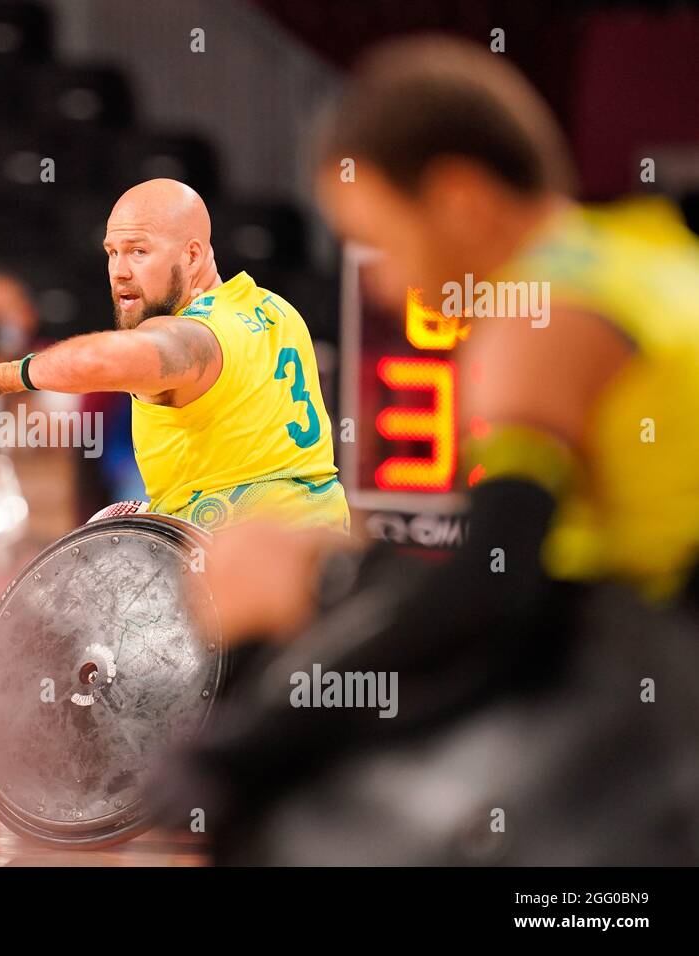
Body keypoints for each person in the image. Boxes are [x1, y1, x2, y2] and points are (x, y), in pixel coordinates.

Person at [158, 35, 699, 864]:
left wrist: (239, 748)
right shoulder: (655, 252)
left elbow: (492, 589)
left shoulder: (542, 315)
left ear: (460, 203)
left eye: (378, 239)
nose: (379, 283)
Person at [0, 178, 349, 534]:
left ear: (191, 255)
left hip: (256, 566)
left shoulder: (191, 334)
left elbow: (99, 361)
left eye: (138, 251)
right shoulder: (275, 308)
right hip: (323, 548)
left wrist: (5, 376)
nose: (118, 270)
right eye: (111, 252)